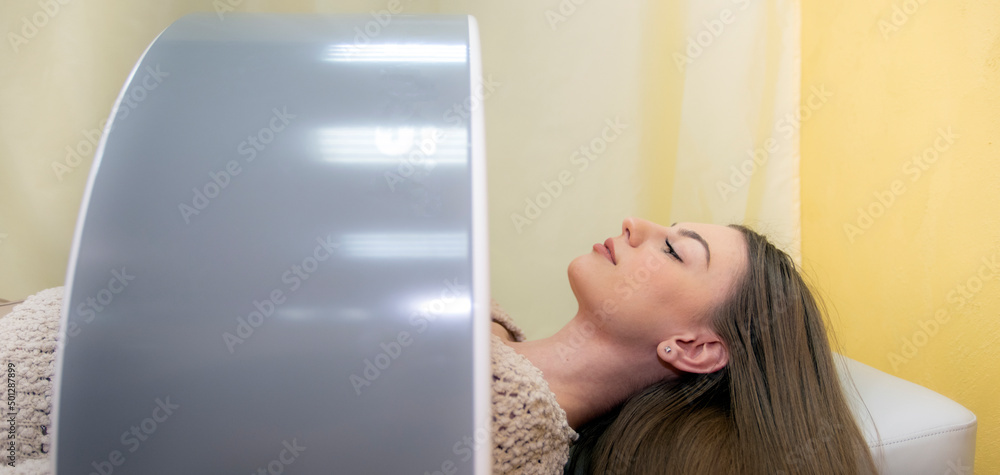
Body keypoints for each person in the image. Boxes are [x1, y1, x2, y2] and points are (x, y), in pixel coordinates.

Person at [489, 217, 877, 474]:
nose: (633, 224)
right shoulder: (496, 356)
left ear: (693, 349)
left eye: (672, 251)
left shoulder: (502, 425)